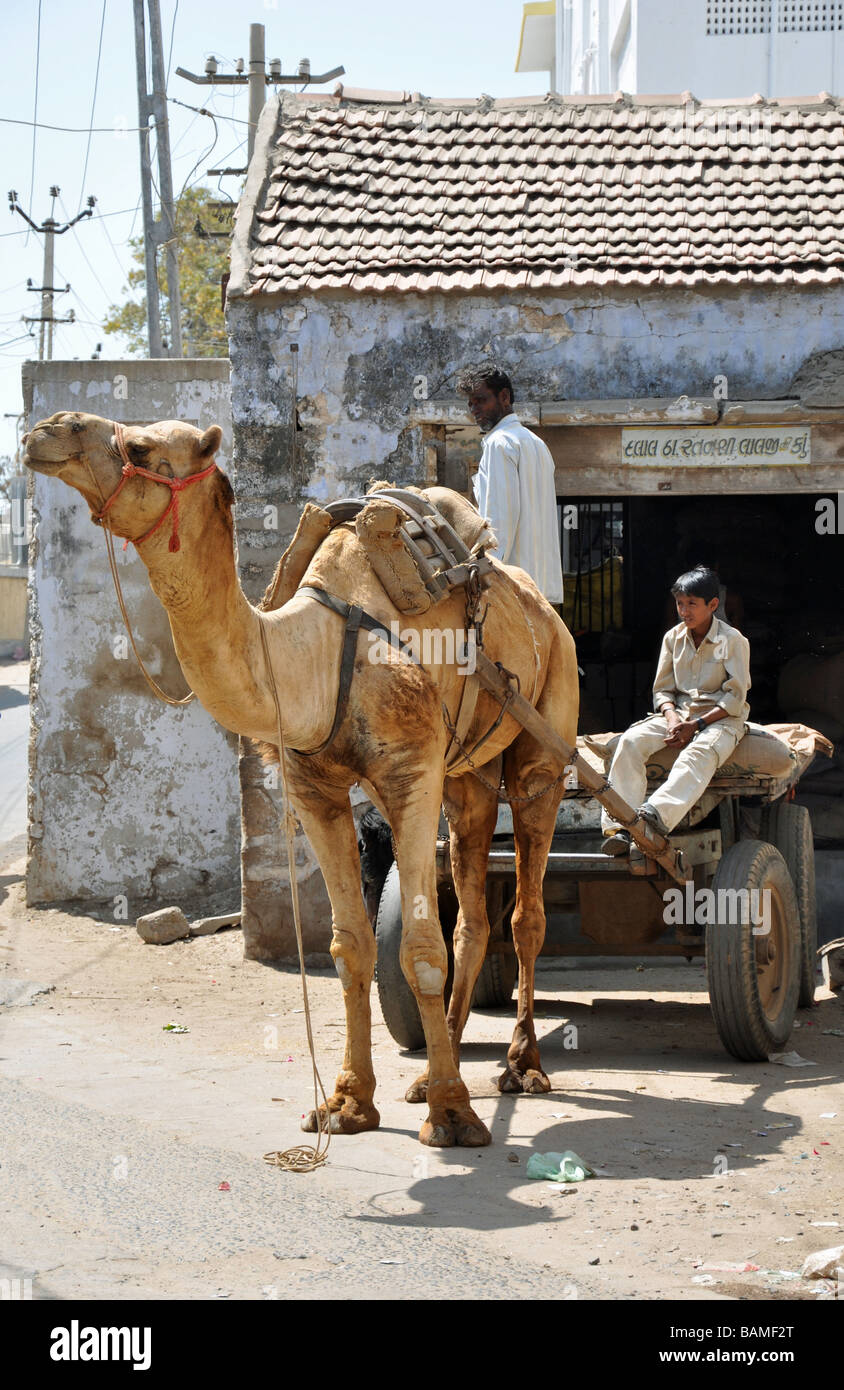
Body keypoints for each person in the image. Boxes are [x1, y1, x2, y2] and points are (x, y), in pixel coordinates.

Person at [601, 565, 751, 856]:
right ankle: (619, 826)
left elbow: (735, 697)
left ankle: (653, 818)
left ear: (713, 605)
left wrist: (695, 726)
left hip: (721, 719)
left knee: (698, 755)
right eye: (680, 604)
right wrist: (672, 718)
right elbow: (663, 690)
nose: (684, 611)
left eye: (692, 604)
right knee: (629, 743)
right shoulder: (672, 638)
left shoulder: (733, 641)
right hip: (680, 713)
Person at [457, 361, 564, 607]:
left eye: (481, 400)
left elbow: (498, 522)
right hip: (543, 591)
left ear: (504, 397)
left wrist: (485, 579)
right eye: (471, 403)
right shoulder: (537, 443)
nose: (474, 409)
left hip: (512, 591)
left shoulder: (499, 443)